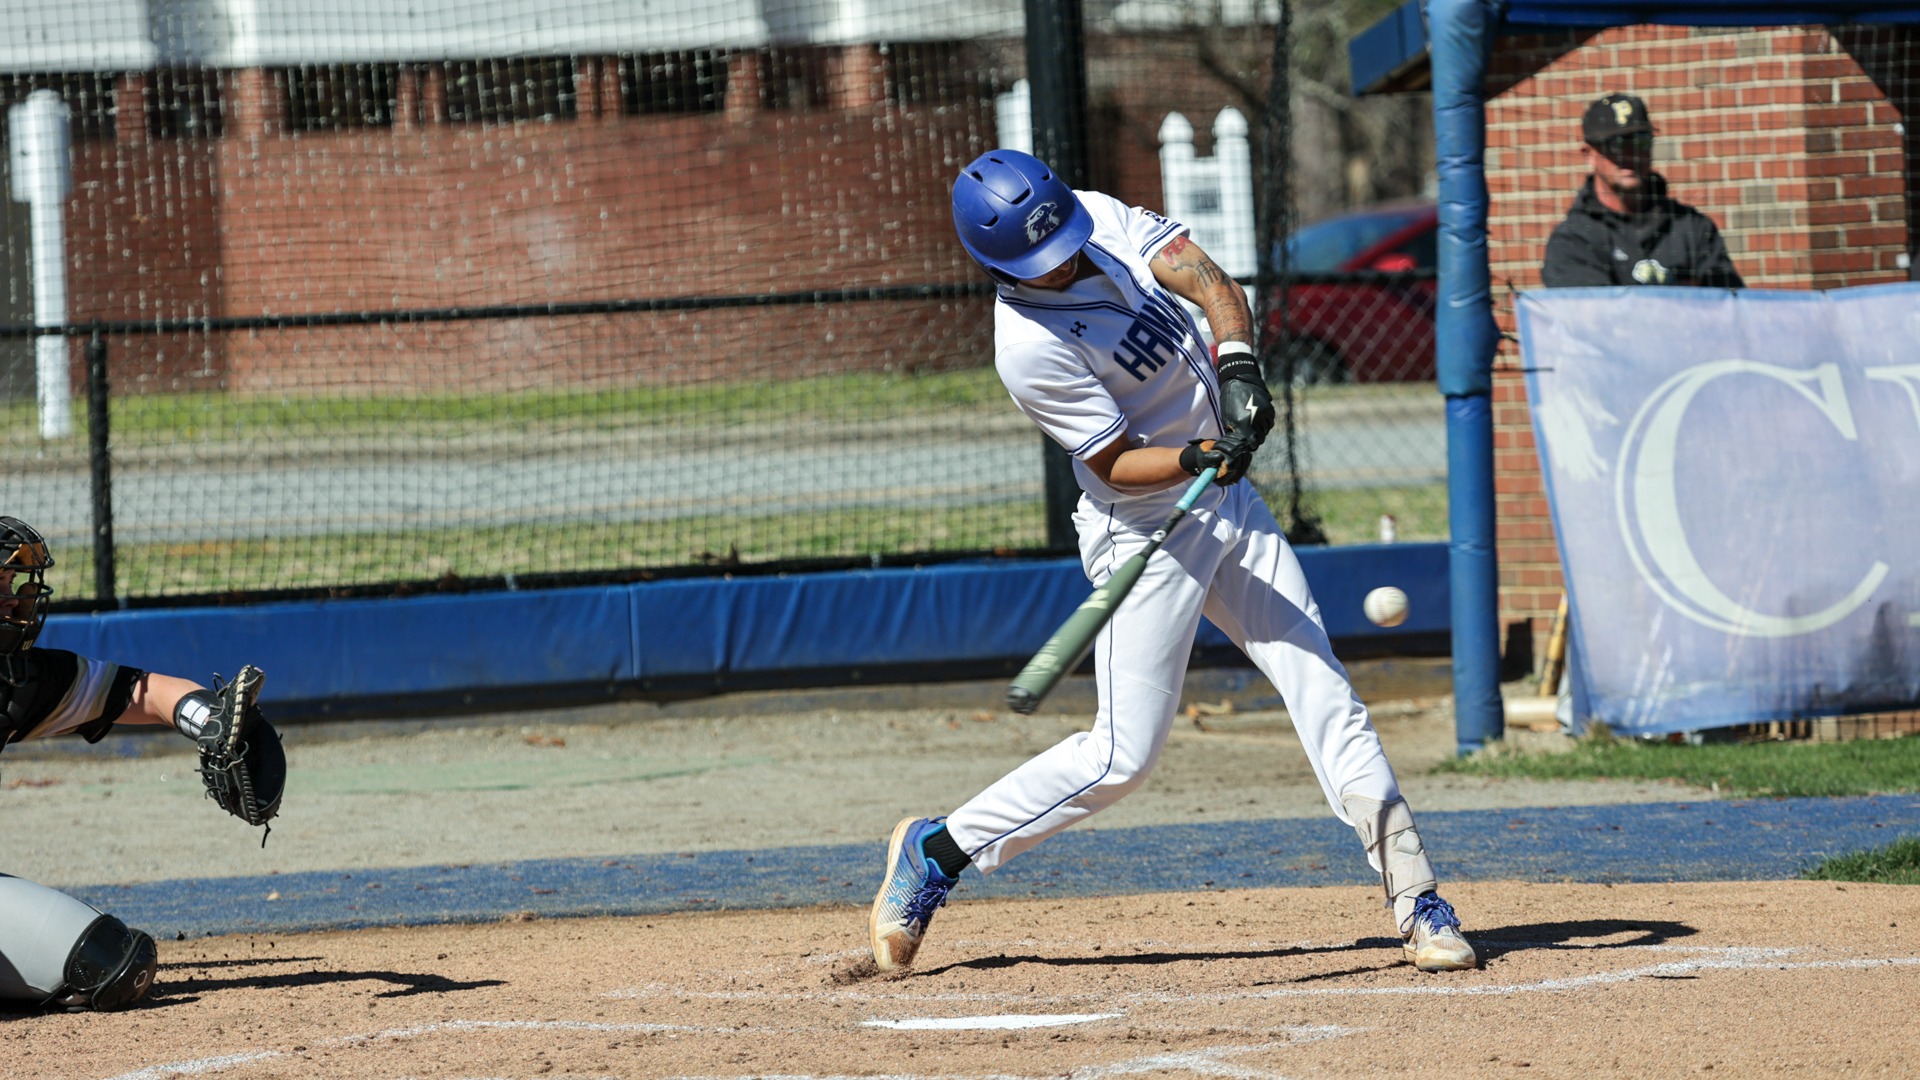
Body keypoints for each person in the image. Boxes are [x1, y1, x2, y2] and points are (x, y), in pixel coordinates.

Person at [866, 149, 1476, 976]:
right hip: (1143, 527)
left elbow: (1206, 279)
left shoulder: (1093, 216)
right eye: (1047, 261)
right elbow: (1113, 462)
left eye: (1068, 241)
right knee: (1122, 757)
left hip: (1229, 505)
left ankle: (1417, 897)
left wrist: (1239, 369)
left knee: (1324, 690)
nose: (1070, 261)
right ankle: (940, 850)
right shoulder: (1027, 346)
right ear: (1001, 263)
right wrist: (1197, 456)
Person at [0, 516, 285, 1012]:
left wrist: (211, 721)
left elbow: (140, 690)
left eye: (11, 583)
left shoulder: (12, 680)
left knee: (110, 962)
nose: (14, 600)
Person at [1541, 92, 1743, 288]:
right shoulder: (1574, 239)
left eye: (1641, 140)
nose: (1630, 155)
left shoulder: (1692, 228)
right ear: (1589, 154)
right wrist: (1684, 292)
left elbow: (1728, 308)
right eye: (1616, 144)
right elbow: (1594, 317)